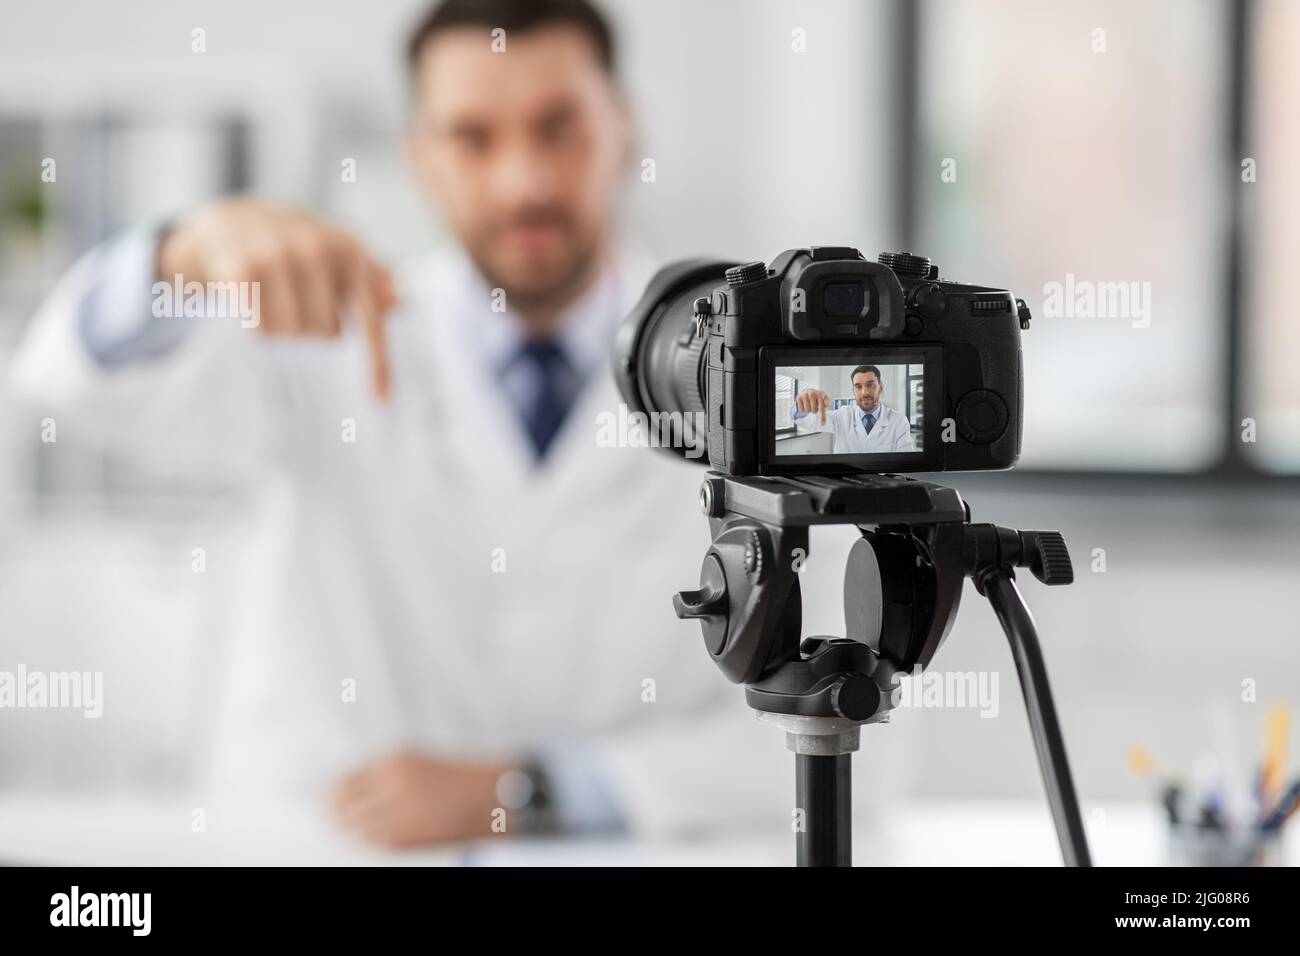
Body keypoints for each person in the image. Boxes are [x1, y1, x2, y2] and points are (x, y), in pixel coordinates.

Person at [11, 0, 873, 849]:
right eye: (474, 136)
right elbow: (69, 382)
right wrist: (178, 257)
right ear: (418, 157)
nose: (523, 182)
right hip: (326, 848)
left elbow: (850, 705)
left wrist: (535, 790)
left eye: (559, 126)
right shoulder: (324, 339)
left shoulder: (754, 372)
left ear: (625, 130)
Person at [792, 365, 915, 454]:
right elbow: (809, 421)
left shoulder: (899, 421)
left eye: (870, 385)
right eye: (858, 386)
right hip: (844, 484)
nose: (865, 392)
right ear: (853, 391)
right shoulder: (841, 416)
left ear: (881, 388)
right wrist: (802, 402)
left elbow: (907, 461)